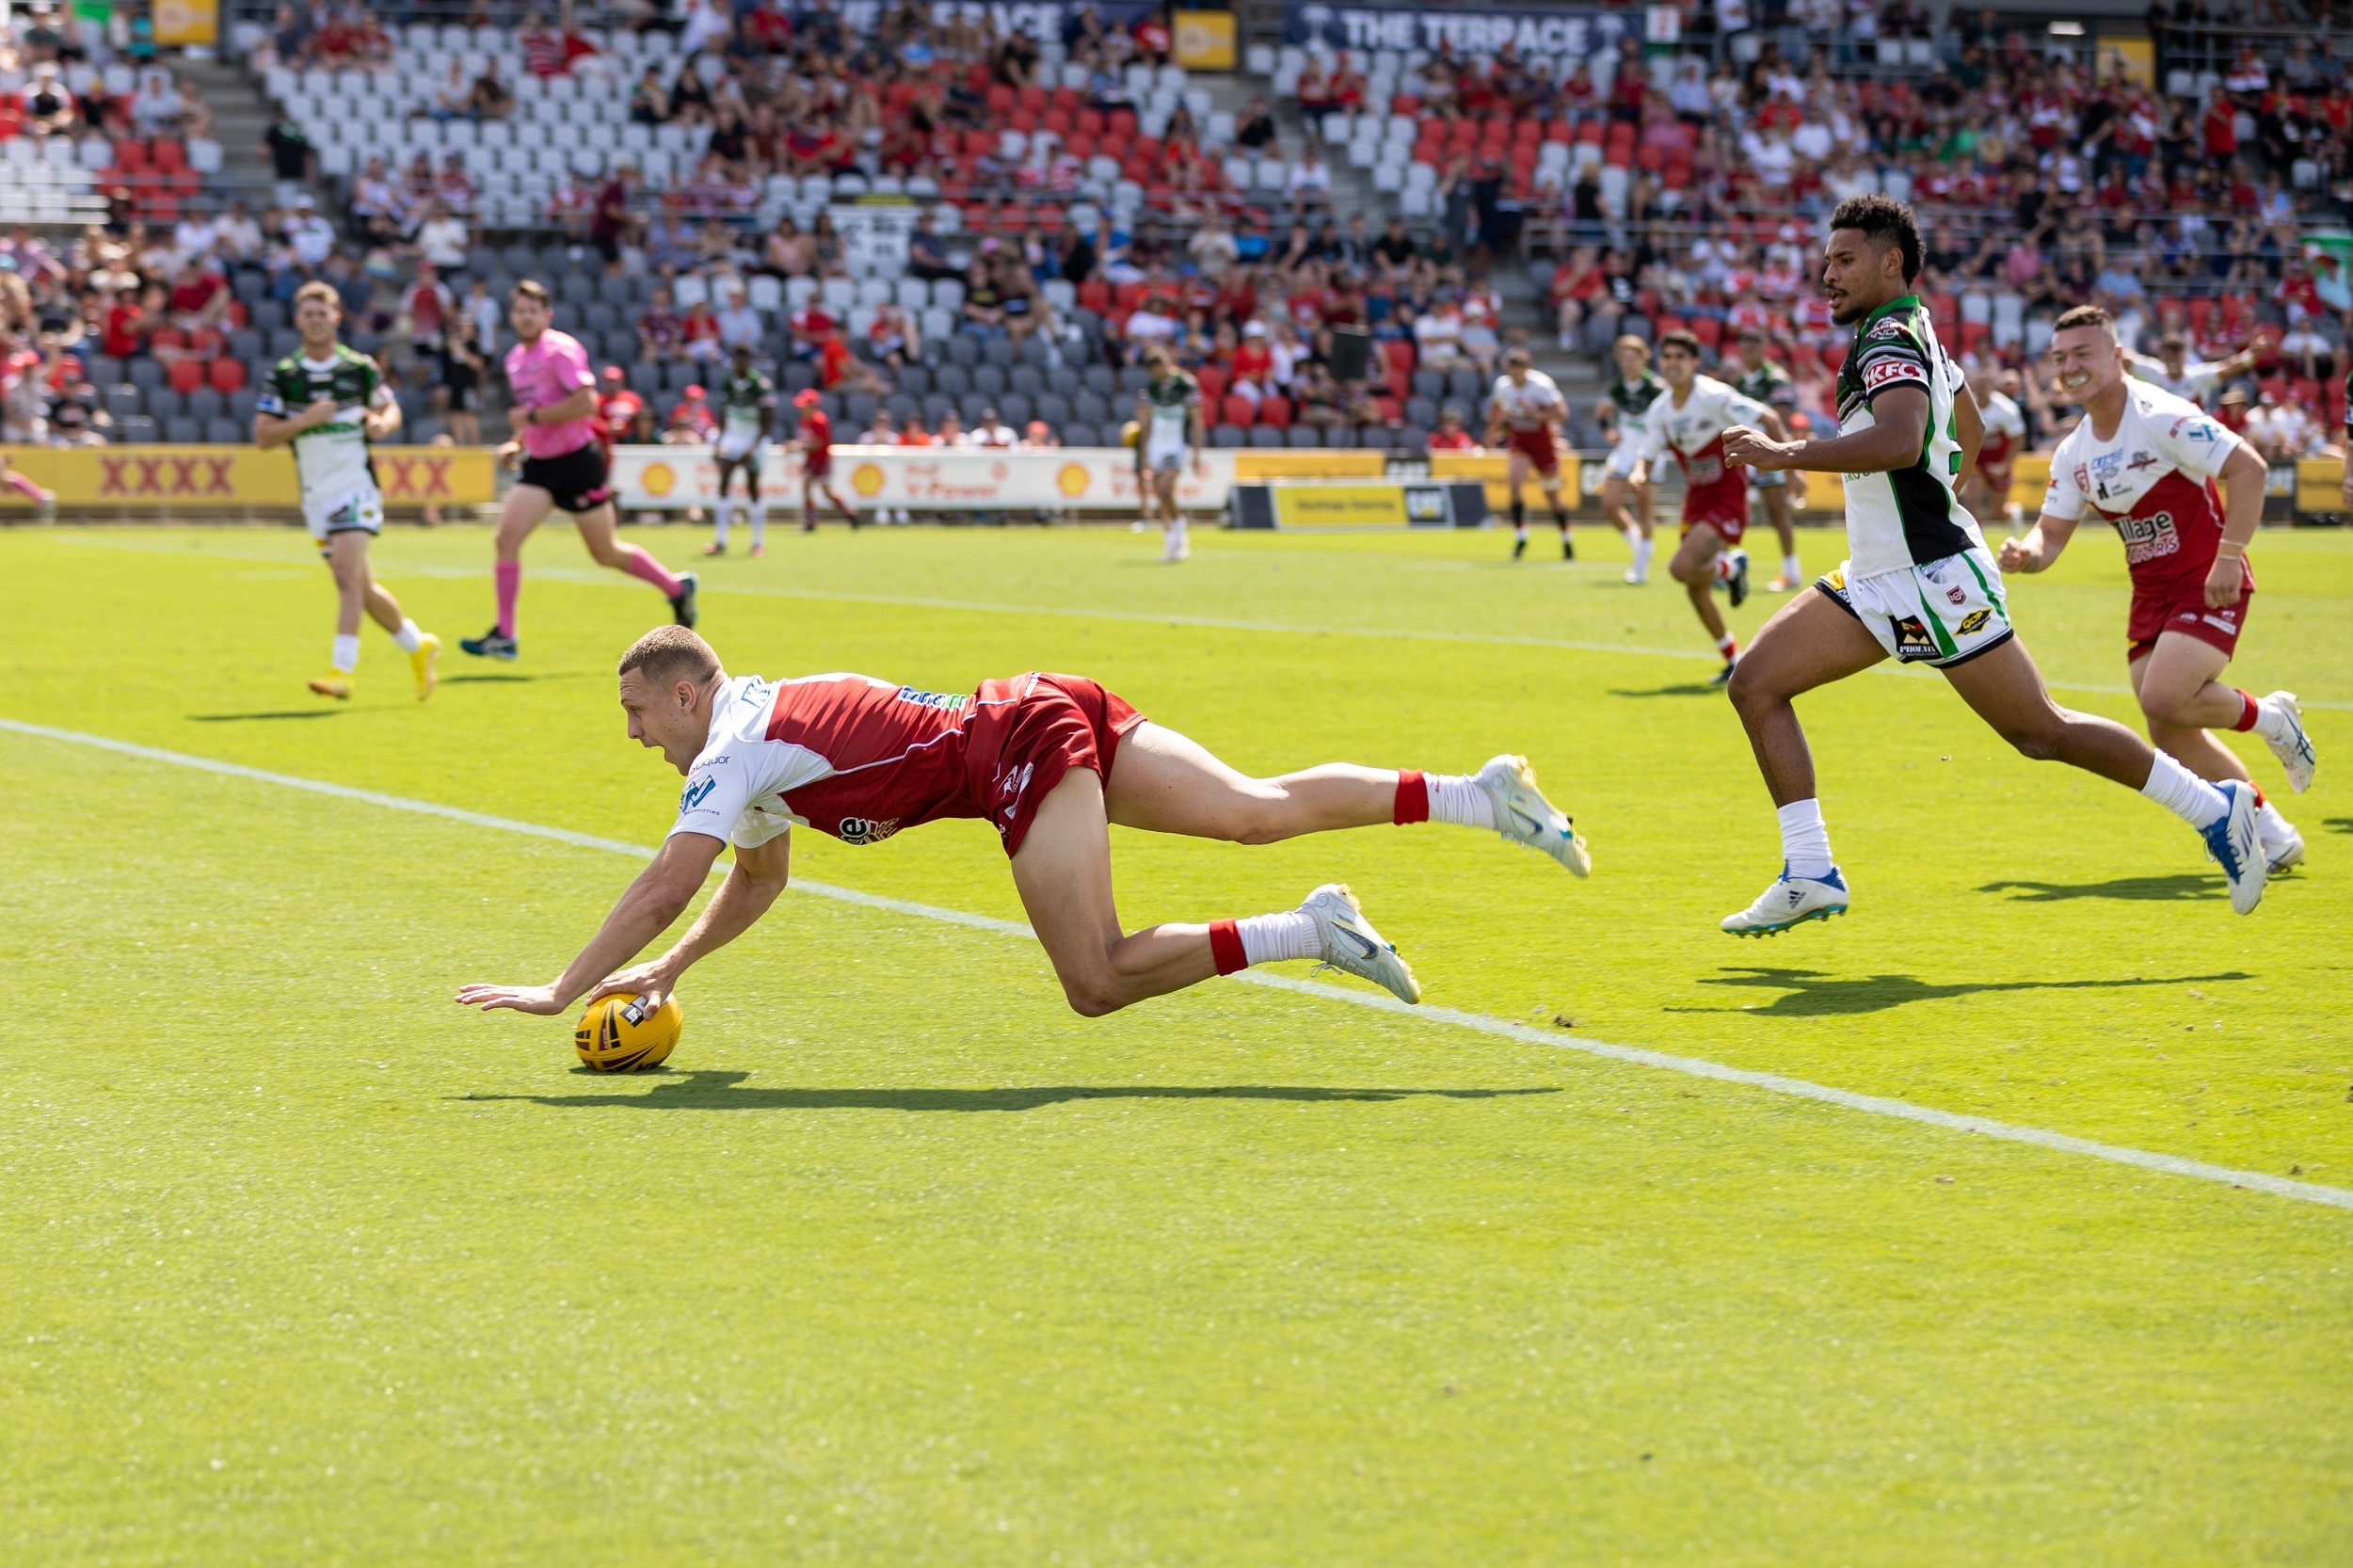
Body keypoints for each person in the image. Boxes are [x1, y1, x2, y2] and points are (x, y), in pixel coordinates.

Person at [453, 627, 1593, 1028]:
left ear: (684, 694)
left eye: (636, 711)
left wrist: (562, 988)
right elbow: (753, 882)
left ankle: (1311, 929)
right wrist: (675, 966)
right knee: (1256, 810)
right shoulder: (750, 735)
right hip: (1043, 702)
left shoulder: (729, 751)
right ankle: (1479, 793)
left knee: (1094, 978)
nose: (633, 733)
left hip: (1015, 746)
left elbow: (666, 881)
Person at [1719, 196, 2269, 934]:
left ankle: (2214, 808)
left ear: (1892, 263)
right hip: (1884, 571)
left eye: (1845, 260)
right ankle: (1810, 871)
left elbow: (1902, 440)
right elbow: (1968, 425)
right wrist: (1934, 500)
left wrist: (1787, 454)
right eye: (1827, 261)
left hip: (1929, 574)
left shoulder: (1887, 337)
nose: (1828, 274)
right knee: (1756, 683)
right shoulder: (1916, 330)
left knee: (2040, 731)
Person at [2000, 305, 2314, 872]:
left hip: (2207, 580)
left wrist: (2229, 557)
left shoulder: (2161, 415)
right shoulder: (2072, 452)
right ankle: (2274, 834)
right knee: (2169, 730)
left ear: (2117, 357)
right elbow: (2051, 534)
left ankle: (2272, 719)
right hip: (2151, 595)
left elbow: (2249, 468)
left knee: (2164, 698)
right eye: (2060, 358)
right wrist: (2027, 554)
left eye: (2083, 353)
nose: (2070, 367)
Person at [459, 280, 696, 663]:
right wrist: (518, 441)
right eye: (519, 311)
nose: (525, 317)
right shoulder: (515, 358)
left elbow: (587, 402)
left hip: (576, 462)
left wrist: (531, 419)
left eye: (532, 311)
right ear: (511, 316)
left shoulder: (561, 350)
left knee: (605, 552)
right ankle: (505, 635)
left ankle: (676, 589)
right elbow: (534, 412)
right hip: (540, 465)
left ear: (546, 315)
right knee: (505, 538)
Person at [252, 280, 440, 703]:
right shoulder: (285, 375)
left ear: (336, 318)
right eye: (309, 314)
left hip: (356, 488)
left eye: (323, 313)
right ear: (298, 320)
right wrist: (304, 421)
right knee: (361, 588)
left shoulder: (359, 368)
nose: (316, 320)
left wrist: (383, 424)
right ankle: (417, 645)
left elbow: (389, 407)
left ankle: (342, 672)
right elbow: (263, 436)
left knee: (344, 577)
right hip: (316, 496)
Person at [1616, 330, 1788, 683]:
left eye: (1680, 357)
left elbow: (1768, 417)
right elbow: (1647, 452)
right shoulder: (1660, 409)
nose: (1672, 364)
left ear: (1695, 362)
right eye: (1667, 357)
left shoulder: (1713, 395)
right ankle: (1733, 658)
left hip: (1727, 495)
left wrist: (1790, 464)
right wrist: (1638, 473)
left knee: (1681, 567)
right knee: (1695, 586)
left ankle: (1731, 567)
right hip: (1695, 499)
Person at [1729, 326, 1807, 590]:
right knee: (1729, 506)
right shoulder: (1742, 381)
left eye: (1752, 349)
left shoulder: (1776, 378)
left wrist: (1788, 464)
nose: (1747, 355)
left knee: (1777, 511)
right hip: (1745, 452)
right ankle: (1723, 566)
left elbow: (1780, 420)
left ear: (1764, 350)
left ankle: (1791, 572)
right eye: (1743, 350)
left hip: (1768, 451)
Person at [1487, 348, 1574, 561]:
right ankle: (1521, 538)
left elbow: (1562, 413)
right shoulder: (1502, 385)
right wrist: (1492, 431)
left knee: (1552, 496)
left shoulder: (1541, 385)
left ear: (1527, 369)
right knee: (1515, 484)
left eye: (1519, 373)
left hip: (1542, 442)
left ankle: (1566, 539)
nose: (1515, 378)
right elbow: (1497, 408)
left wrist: (1533, 414)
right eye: (1512, 373)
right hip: (1520, 441)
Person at [1596, 336, 1664, 583]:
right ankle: (1638, 545)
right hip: (1624, 451)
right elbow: (1602, 413)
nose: (1628, 364)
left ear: (1644, 359)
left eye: (1633, 359)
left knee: (1643, 507)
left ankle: (1640, 567)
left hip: (1649, 452)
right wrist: (1608, 431)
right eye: (1624, 359)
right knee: (1609, 504)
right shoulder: (1617, 387)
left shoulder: (1656, 387)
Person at [1133, 344, 1204, 564]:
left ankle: (1180, 528)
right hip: (1155, 446)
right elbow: (1145, 424)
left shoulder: (1186, 385)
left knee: (1165, 488)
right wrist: (1143, 454)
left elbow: (1198, 422)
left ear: (1167, 363)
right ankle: (1171, 545)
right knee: (1161, 495)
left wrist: (1197, 454)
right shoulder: (1149, 390)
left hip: (1175, 445)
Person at [708, 342, 776, 556]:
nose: (740, 363)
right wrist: (719, 442)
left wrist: (753, 447)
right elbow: (723, 413)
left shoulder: (761, 385)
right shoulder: (728, 384)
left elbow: (767, 423)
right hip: (732, 438)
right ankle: (720, 541)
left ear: (750, 361)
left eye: (743, 358)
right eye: (736, 358)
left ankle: (757, 543)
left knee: (753, 488)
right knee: (723, 483)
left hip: (752, 438)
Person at [791, 387, 858, 531]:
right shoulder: (804, 420)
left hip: (821, 459)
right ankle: (813, 520)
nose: (801, 409)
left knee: (824, 491)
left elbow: (818, 444)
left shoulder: (819, 421)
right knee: (810, 487)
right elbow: (805, 440)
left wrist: (797, 447)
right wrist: (795, 445)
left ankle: (847, 512)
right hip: (812, 458)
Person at [1964, 366, 2025, 525]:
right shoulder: (1965, 406)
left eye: (1984, 385)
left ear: (1992, 387)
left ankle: (2012, 512)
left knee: (1998, 513)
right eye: (1977, 386)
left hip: (1999, 459)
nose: (1980, 390)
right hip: (1977, 459)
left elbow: (2018, 439)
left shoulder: (2006, 409)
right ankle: (1976, 535)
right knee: (1971, 504)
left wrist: (2004, 465)